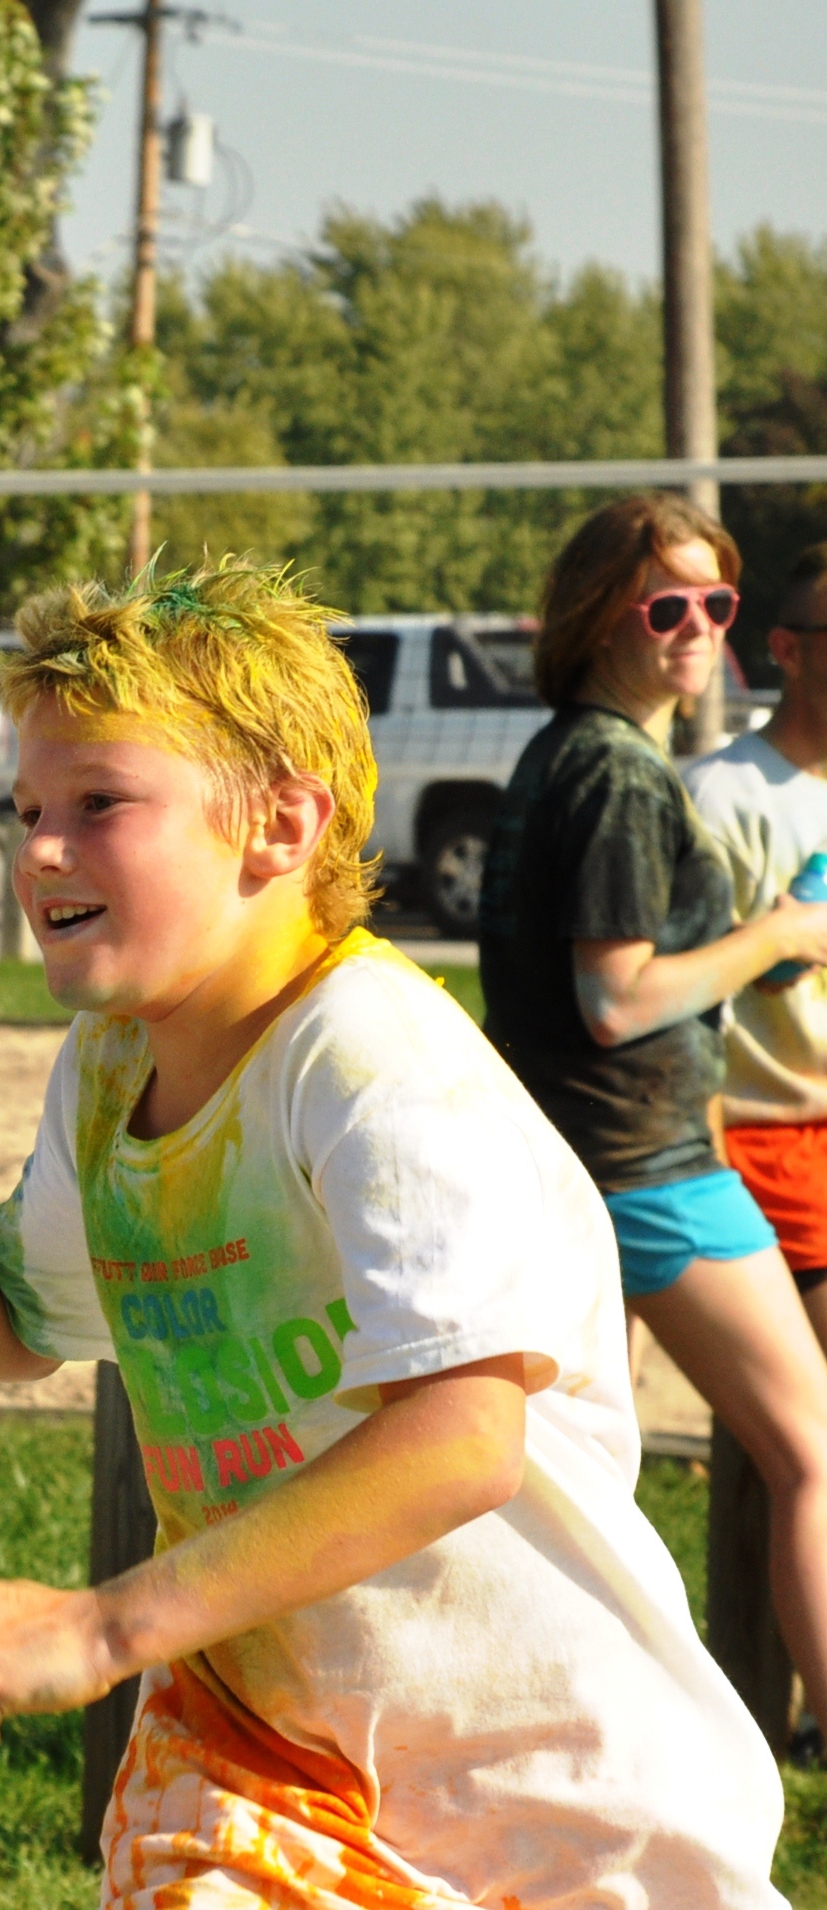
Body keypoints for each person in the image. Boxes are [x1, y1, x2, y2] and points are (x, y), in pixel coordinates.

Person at [0, 558, 799, 1910]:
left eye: (100, 805)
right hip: (270, 1760)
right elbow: (20, 1316)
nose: (41, 850)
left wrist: (101, 1626)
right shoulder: (112, 1068)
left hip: (546, 1800)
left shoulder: (372, 1062)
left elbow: (465, 1438)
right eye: (28, 811)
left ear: (280, 822)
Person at [476, 497, 827, 1728]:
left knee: (575, 1482)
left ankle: (554, 1730)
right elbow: (615, 1000)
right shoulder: (618, 772)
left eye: (714, 603)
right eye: (663, 606)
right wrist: (774, 935)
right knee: (812, 1454)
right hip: (643, 1169)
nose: (694, 628)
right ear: (596, 620)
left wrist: (735, 956)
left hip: (577, 1164)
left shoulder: (559, 757)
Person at [688, 540, 827, 1332]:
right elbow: (674, 987)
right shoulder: (720, 795)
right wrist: (769, 948)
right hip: (770, 1146)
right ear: (785, 650)